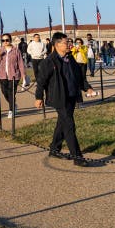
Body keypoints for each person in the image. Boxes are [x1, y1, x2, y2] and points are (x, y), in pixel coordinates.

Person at [34, 32, 95, 167]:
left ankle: (54, 148)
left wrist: (87, 88)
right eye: (66, 43)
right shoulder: (48, 62)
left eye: (69, 42)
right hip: (59, 97)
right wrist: (39, 97)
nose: (69, 45)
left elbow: (79, 77)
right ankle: (77, 157)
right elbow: (41, 81)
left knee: (62, 122)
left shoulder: (70, 58)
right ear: (57, 45)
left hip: (72, 96)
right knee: (69, 125)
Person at [0, 34, 26, 118]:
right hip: (3, 75)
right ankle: (13, 104)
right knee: (4, 92)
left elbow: (21, 63)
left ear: (10, 40)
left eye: (7, 40)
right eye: (3, 40)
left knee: (11, 93)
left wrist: (23, 77)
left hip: (14, 75)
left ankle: (11, 110)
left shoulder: (16, 50)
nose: (5, 42)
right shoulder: (0, 50)